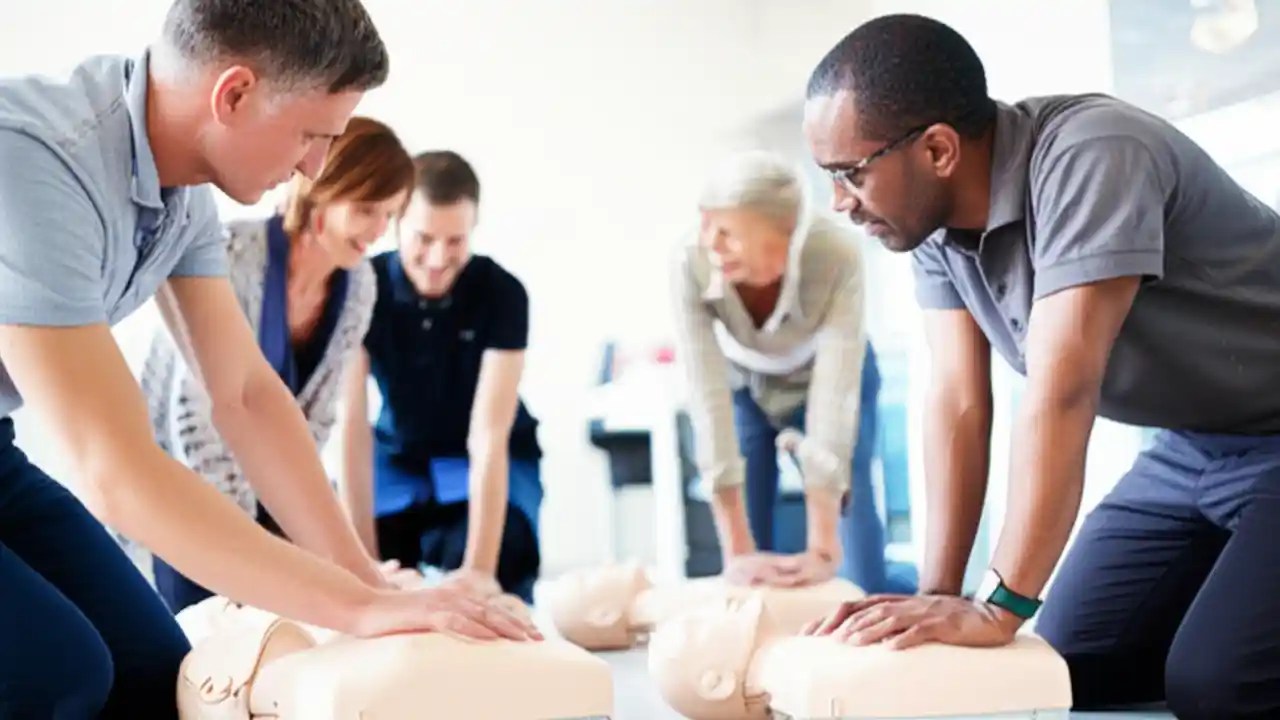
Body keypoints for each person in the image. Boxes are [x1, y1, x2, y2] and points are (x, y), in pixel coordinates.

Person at [0, 2, 534, 716]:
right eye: (313, 136)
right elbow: (112, 472)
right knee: (58, 674)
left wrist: (366, 582)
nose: (316, 165)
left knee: (154, 671)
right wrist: (353, 608)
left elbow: (247, 394)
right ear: (235, 94)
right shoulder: (33, 162)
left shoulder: (181, 193)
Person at [800, 13, 1280, 720]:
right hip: (1190, 447)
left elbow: (1062, 391)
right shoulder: (931, 225)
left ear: (937, 149)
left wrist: (1000, 604)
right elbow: (959, 401)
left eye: (850, 173)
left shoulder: (1094, 156)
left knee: (1220, 687)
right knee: (1070, 666)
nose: (840, 203)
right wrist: (940, 593)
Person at [140, 115, 416, 614]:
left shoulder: (359, 287)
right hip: (181, 494)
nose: (378, 233)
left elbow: (315, 425)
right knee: (193, 645)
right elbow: (196, 427)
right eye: (367, 210)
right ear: (324, 192)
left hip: (265, 505)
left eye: (390, 217)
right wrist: (255, 556)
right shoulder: (228, 255)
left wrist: (312, 546)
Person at [670, 150, 911, 594]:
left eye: (726, 231)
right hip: (748, 386)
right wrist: (737, 552)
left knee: (858, 572)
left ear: (783, 237)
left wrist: (822, 546)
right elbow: (708, 400)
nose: (710, 243)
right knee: (749, 571)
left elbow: (834, 398)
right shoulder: (691, 261)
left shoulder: (836, 253)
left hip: (834, 377)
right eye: (705, 224)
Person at [340, 150, 544, 604]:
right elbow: (351, 426)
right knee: (368, 555)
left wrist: (480, 571)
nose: (437, 257)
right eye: (424, 237)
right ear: (395, 222)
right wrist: (364, 569)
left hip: (486, 454)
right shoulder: (359, 286)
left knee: (503, 557)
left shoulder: (503, 293)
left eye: (455, 241)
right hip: (400, 454)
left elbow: (488, 435)